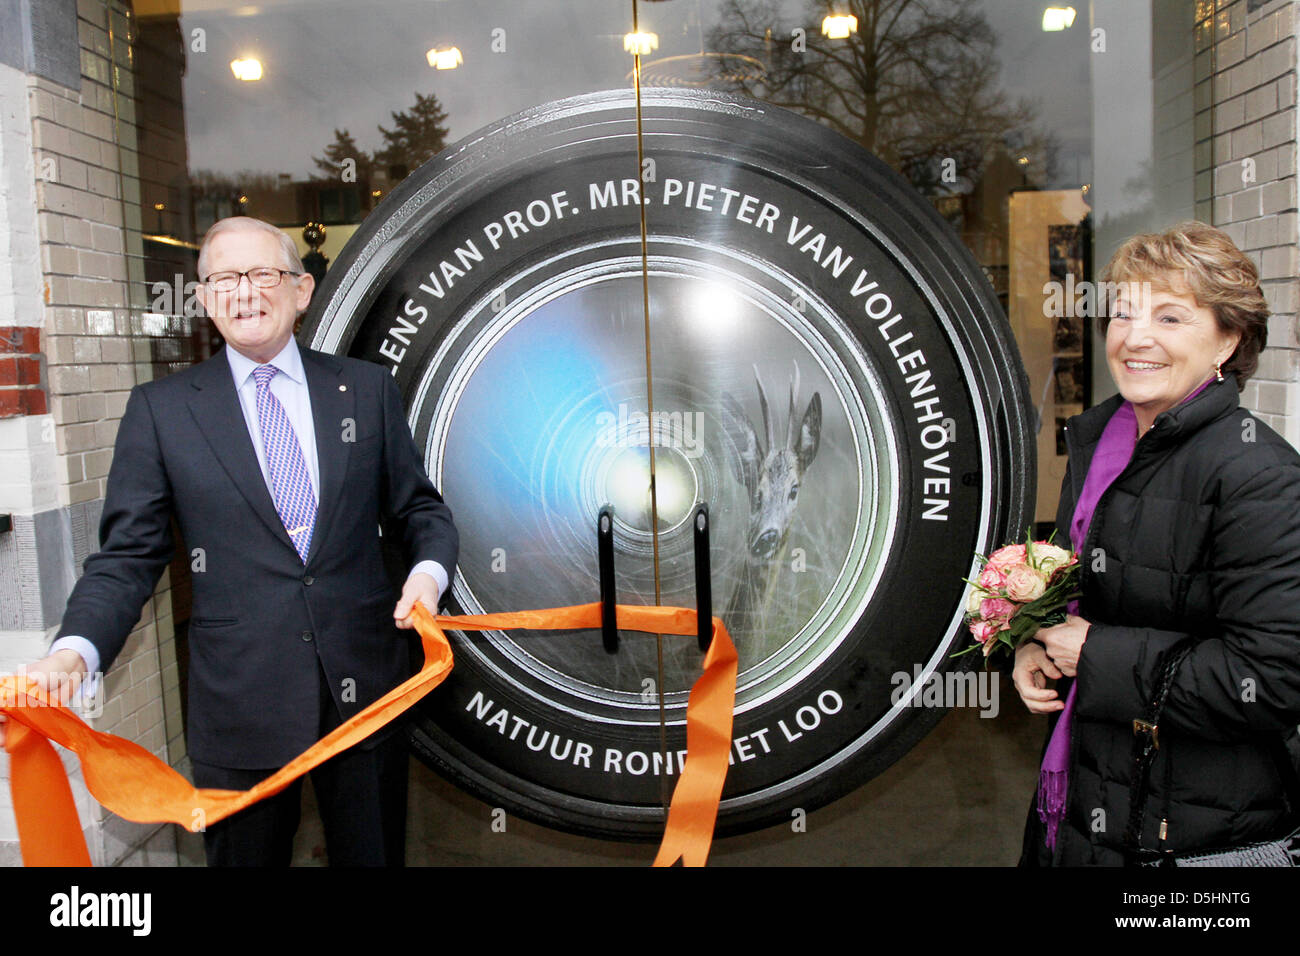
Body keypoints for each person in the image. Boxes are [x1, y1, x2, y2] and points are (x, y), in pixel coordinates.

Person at [3, 216, 457, 866]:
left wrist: (427, 575)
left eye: (261, 274)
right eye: (224, 279)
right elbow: (128, 557)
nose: (244, 292)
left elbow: (421, 511)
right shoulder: (162, 411)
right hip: (241, 705)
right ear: (206, 299)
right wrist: (73, 654)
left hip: (365, 694)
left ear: (300, 291)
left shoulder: (365, 390)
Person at [1012, 221, 1300, 865]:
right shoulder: (1104, 446)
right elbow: (1100, 600)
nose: (1135, 338)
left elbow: (1272, 680)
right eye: (1123, 314)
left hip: (1195, 835)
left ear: (1229, 338)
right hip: (1087, 801)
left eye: (1171, 318)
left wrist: (1093, 654)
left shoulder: (1259, 475)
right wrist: (1040, 645)